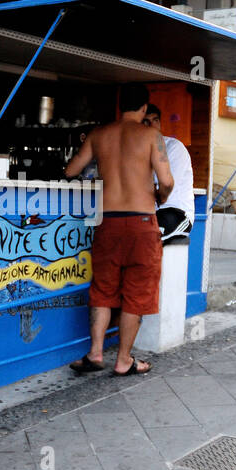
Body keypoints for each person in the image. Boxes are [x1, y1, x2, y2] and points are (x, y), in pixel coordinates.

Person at [64, 84, 174, 376]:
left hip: (108, 221)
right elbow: (167, 181)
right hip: (141, 223)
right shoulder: (152, 136)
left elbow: (70, 171)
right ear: (144, 109)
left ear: (119, 107)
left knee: (103, 288)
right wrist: (160, 197)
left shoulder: (100, 134)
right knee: (137, 292)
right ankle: (124, 359)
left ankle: (95, 352)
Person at [143, 104, 194, 241]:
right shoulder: (137, 149)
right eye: (146, 122)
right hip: (148, 213)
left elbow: (165, 189)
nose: (152, 126)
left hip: (175, 212)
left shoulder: (174, 147)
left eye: (156, 120)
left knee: (150, 235)